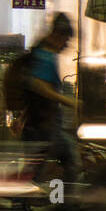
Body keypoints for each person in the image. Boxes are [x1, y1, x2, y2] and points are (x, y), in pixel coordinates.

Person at [20, 13, 81, 183]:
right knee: (69, 161)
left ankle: (38, 201)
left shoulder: (40, 52)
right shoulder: (46, 56)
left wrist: (22, 118)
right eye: (66, 39)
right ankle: (61, 205)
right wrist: (70, 102)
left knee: (41, 170)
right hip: (45, 126)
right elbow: (38, 86)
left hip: (39, 125)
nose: (66, 45)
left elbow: (32, 91)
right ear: (57, 35)